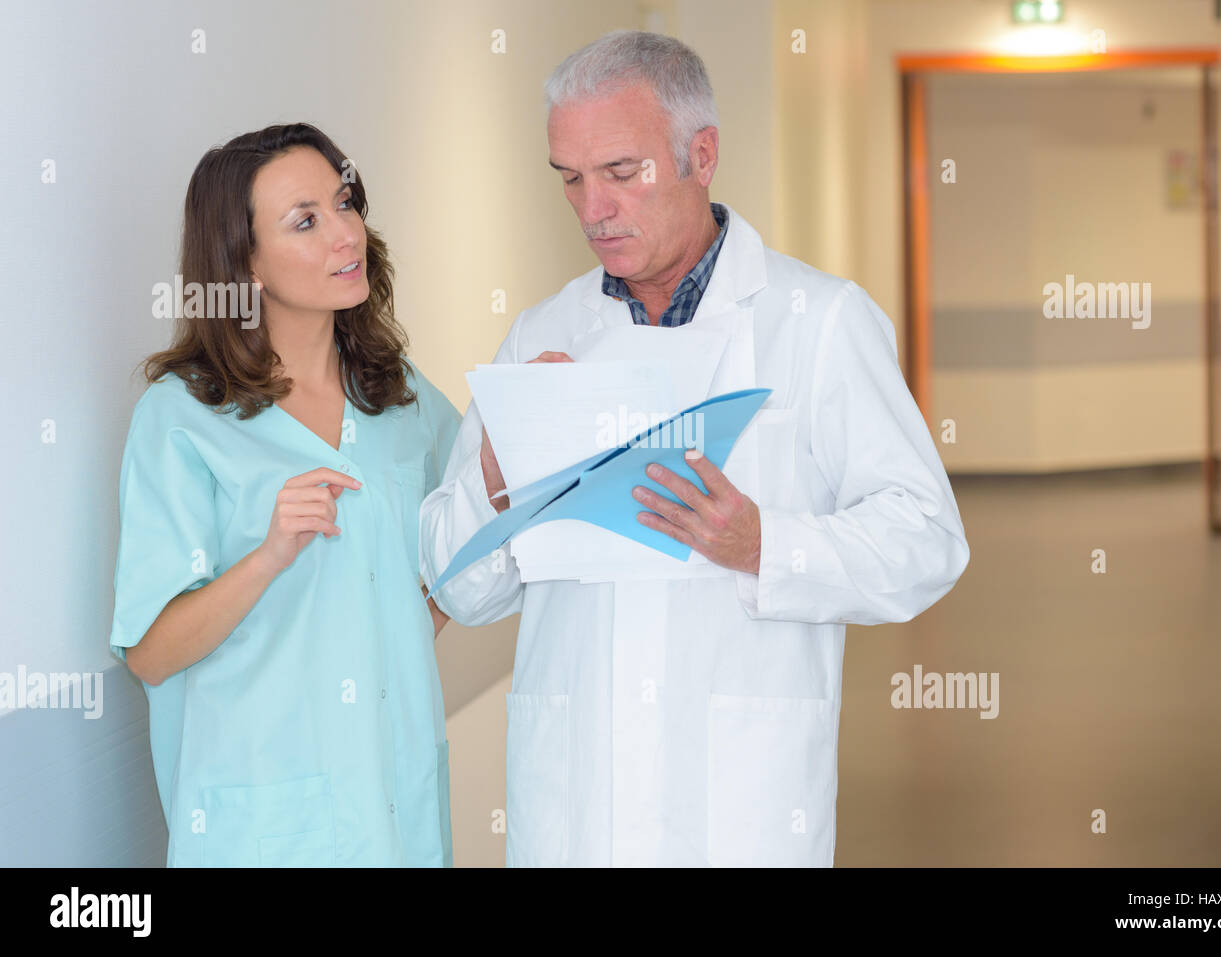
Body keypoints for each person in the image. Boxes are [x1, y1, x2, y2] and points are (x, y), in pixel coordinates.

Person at [420, 31, 970, 867]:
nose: (591, 207)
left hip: (739, 802)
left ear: (701, 154)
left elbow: (928, 537)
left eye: (621, 172)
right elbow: (462, 589)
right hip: (576, 807)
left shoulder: (818, 321)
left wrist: (767, 544)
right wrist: (498, 473)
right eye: (569, 177)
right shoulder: (544, 333)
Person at [109, 123, 461, 867]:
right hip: (259, 817)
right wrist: (268, 556)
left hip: (396, 802)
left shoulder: (397, 397)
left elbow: (472, 523)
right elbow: (150, 652)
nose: (346, 234)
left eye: (345, 203)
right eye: (306, 220)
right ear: (247, 266)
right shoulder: (181, 418)